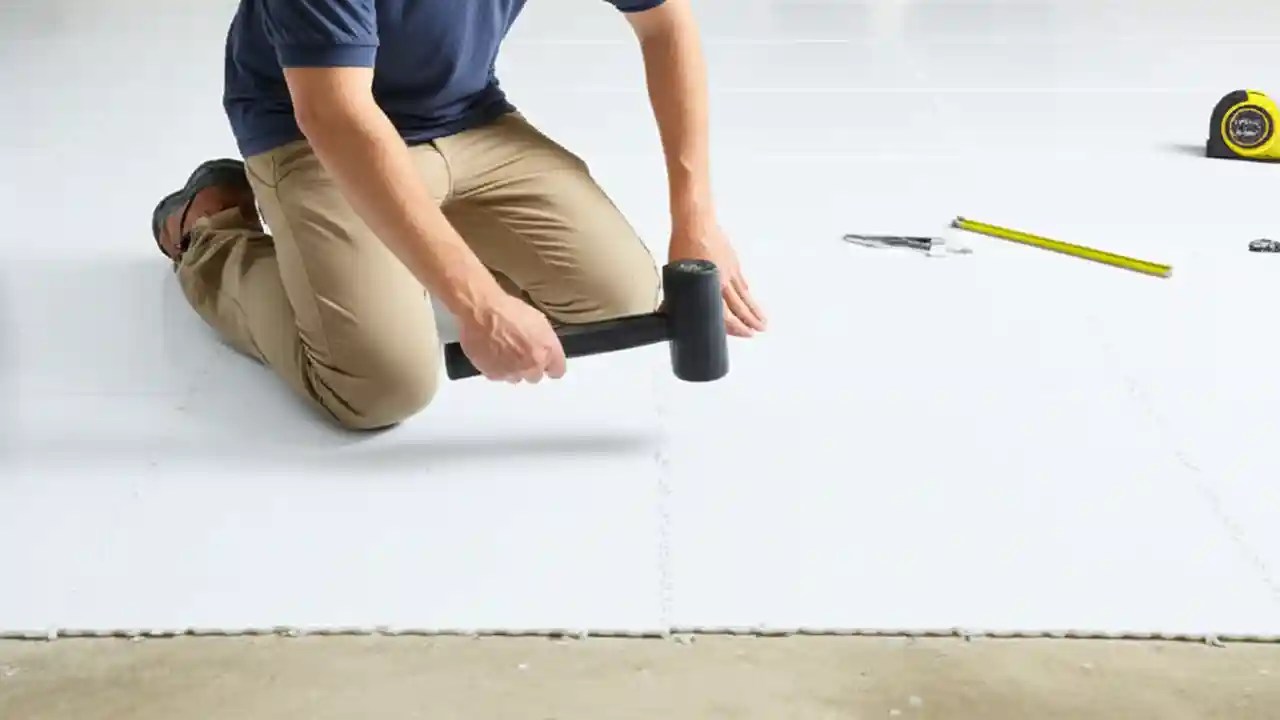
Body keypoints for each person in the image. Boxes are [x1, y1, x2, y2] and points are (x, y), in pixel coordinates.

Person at [151, 0, 766, 431]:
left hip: (469, 119)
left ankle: (395, 256)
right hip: (314, 138)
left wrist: (696, 218)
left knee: (622, 295)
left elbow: (665, 23)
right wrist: (476, 303)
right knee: (380, 385)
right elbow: (336, 112)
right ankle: (212, 232)